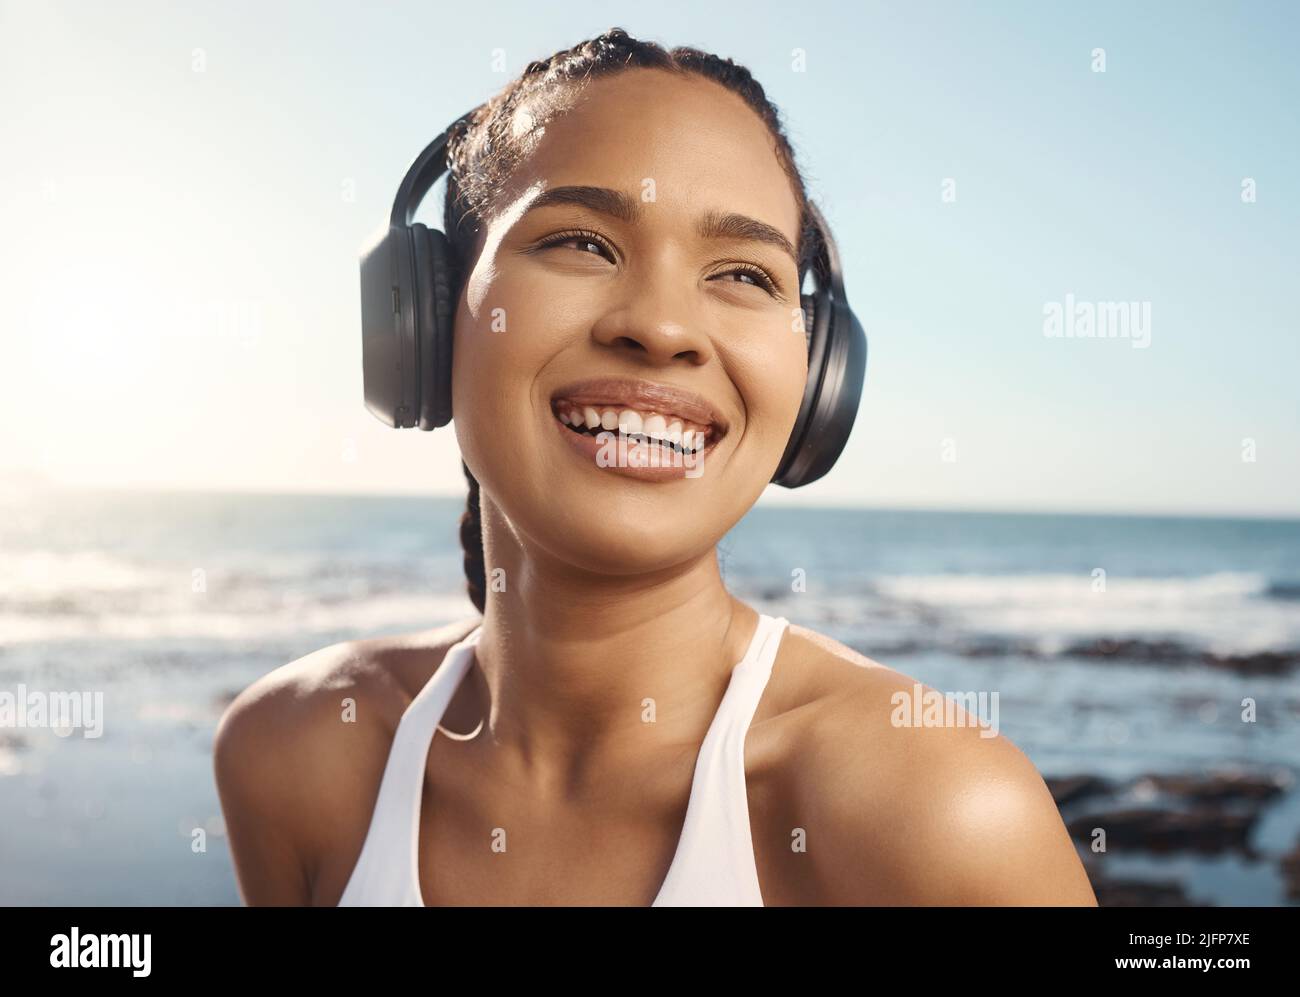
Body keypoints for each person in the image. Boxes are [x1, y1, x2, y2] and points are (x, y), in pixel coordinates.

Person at [213, 27, 1098, 906]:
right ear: (428, 322)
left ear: (820, 374)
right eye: (582, 244)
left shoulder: (940, 813)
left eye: (746, 275)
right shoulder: (295, 753)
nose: (663, 326)